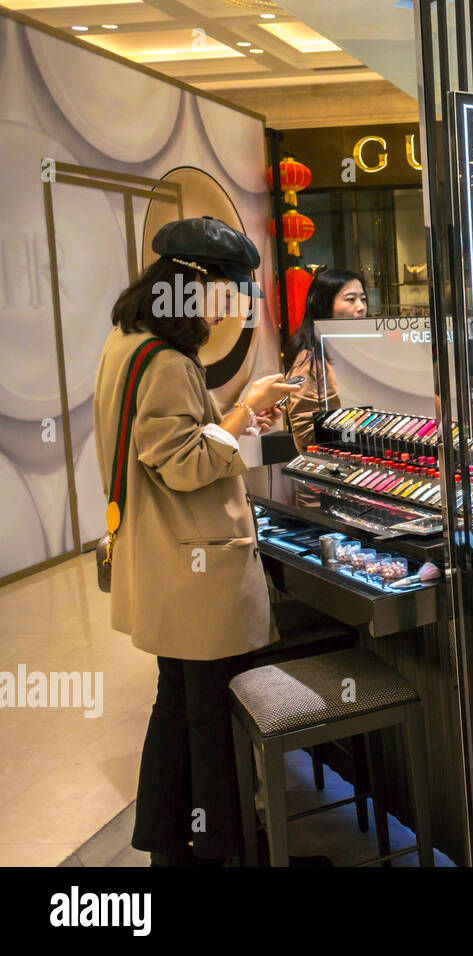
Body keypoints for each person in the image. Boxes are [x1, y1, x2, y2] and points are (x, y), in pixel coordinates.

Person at [93, 217, 302, 865]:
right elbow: (184, 464)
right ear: (193, 286)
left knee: (179, 705)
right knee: (214, 716)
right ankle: (228, 850)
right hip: (195, 569)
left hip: (163, 562)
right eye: (230, 292)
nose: (234, 308)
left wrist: (234, 412)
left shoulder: (128, 344)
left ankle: (166, 843)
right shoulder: (166, 360)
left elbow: (166, 438)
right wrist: (242, 415)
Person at [284, 268, 366, 454]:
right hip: (337, 463)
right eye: (350, 299)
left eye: (363, 298)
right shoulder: (309, 359)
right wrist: (361, 426)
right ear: (325, 304)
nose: (361, 307)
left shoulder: (358, 349)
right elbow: (305, 433)